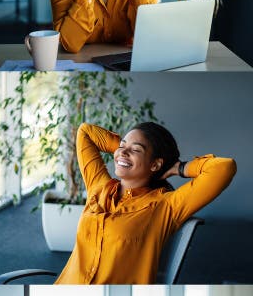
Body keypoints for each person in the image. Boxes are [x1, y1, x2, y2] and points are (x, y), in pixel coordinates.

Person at [56, 122, 236, 284]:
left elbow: (224, 168)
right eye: (122, 146)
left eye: (136, 150)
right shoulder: (98, 186)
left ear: (156, 164)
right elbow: (85, 132)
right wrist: (122, 151)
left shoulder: (166, 206)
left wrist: (178, 168)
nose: (123, 151)